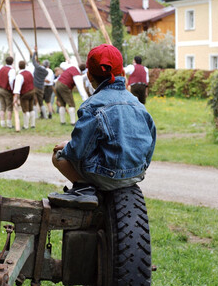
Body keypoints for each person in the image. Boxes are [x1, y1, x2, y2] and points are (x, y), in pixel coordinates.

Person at [51, 44, 156, 204]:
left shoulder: (92, 106)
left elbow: (78, 151)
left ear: (90, 76)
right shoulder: (137, 103)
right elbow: (151, 137)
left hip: (106, 175)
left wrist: (67, 146)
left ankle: (82, 188)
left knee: (58, 156)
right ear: (122, 73)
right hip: (136, 173)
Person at [53, 60, 88, 125]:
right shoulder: (76, 74)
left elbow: (62, 65)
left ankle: (62, 121)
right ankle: (73, 122)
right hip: (64, 85)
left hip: (57, 84)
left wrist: (67, 61)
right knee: (71, 104)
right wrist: (85, 100)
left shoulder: (71, 67)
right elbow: (80, 88)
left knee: (62, 104)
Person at [12, 59, 38, 130]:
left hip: (25, 93)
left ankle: (26, 125)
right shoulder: (30, 73)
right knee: (31, 108)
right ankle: (32, 124)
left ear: (19, 66)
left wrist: (15, 97)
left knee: (25, 109)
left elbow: (17, 88)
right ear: (25, 66)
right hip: (32, 91)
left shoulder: (19, 76)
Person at [0, 55, 16, 128]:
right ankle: (9, 124)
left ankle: (2, 123)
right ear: (12, 62)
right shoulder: (11, 70)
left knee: (2, 106)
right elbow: (11, 81)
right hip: (6, 89)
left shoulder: (1, 69)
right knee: (9, 107)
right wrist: (13, 90)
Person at [32, 55, 48, 119]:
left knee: (34, 102)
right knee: (41, 102)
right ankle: (45, 116)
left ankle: (35, 116)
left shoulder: (37, 68)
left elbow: (33, 60)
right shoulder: (46, 72)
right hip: (41, 87)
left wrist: (34, 53)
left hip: (35, 86)